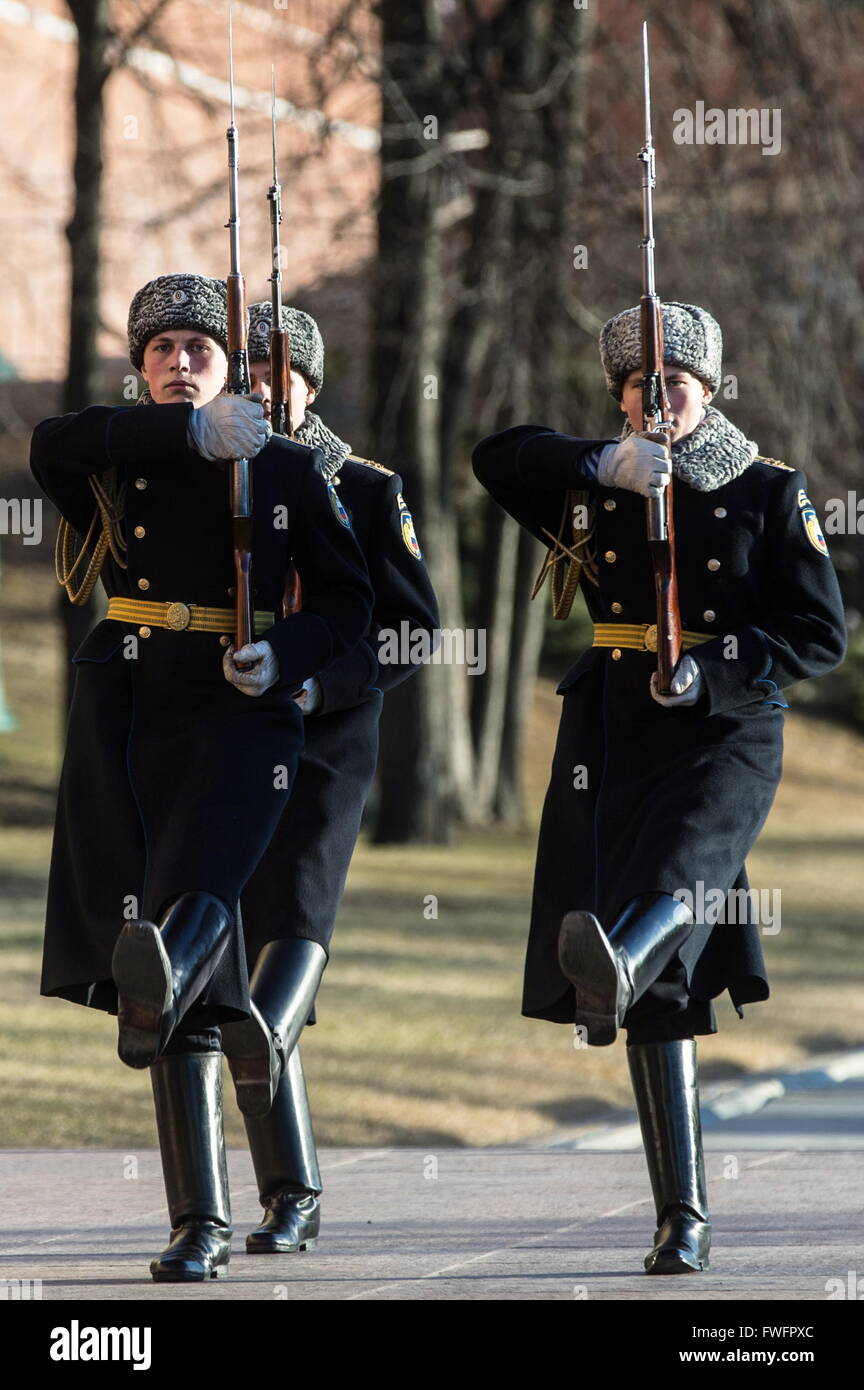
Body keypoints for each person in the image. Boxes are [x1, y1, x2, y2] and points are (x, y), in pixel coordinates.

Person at [472, 301, 846, 1274]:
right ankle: (681, 1215)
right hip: (611, 725)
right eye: (640, 387)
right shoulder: (603, 482)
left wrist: (716, 666)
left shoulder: (767, 488)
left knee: (677, 881)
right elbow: (498, 458)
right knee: (666, 979)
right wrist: (602, 465)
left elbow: (818, 633)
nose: (658, 400)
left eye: (675, 383)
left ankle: (614, 961)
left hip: (724, 731)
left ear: (710, 390)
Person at [31, 272, 373, 1282]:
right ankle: (199, 1223)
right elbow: (53, 443)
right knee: (166, 962)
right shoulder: (120, 453)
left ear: (236, 367)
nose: (182, 363)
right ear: (139, 369)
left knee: (194, 900)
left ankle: (164, 978)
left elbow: (350, 605)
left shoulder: (289, 470)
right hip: (130, 705)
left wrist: (287, 656)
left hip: (240, 701)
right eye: (163, 350)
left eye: (202, 350)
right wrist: (188, 434)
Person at [216, 301, 439, 1254]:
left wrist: (321, 688)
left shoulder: (365, 485)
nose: (263, 390)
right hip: (227, 739)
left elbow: (409, 626)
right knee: (245, 933)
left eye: (280, 376)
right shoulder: (211, 476)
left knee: (296, 920)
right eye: (249, 375)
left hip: (328, 737)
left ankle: (263, 1054)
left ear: (308, 385)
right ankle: (292, 1191)